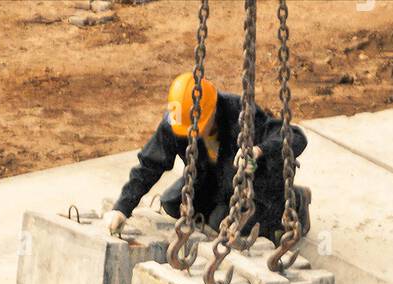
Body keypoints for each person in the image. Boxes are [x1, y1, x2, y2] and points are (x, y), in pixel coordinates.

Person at [102, 73, 309, 245]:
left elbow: (295, 137)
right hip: (210, 179)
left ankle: (295, 200)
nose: (193, 135)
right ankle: (220, 210)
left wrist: (258, 150)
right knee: (172, 203)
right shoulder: (176, 122)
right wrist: (122, 208)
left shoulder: (238, 111)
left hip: (252, 184)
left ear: (213, 110)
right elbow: (149, 165)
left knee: (228, 223)